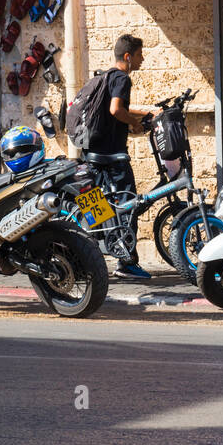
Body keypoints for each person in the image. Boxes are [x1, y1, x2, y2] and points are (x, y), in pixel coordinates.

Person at [86, 34, 151, 279]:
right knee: (127, 204)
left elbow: (111, 108)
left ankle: (88, 256)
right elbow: (115, 110)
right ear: (127, 57)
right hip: (113, 156)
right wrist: (134, 124)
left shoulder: (103, 76)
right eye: (139, 55)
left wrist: (143, 112)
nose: (142, 59)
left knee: (97, 206)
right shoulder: (122, 78)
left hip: (93, 154)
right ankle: (126, 262)